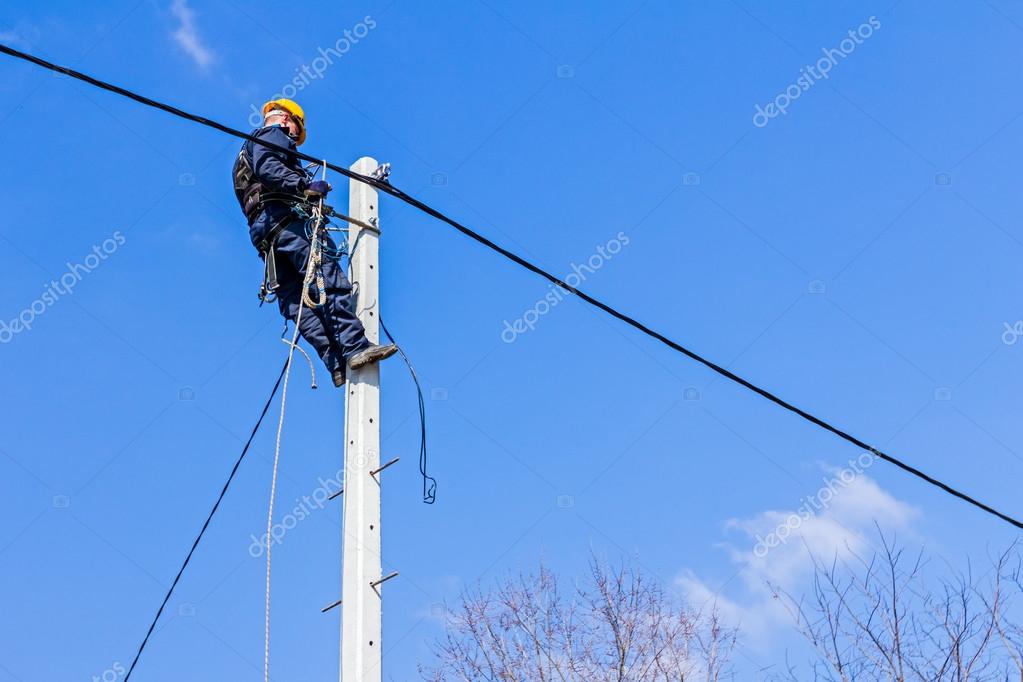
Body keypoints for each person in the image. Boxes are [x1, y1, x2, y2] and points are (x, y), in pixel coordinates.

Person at [233, 98, 395, 387]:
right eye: (295, 130)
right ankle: (356, 347)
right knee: (326, 279)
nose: (294, 138)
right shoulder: (273, 135)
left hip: (265, 237)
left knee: (297, 304)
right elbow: (270, 167)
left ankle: (336, 363)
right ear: (286, 120)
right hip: (289, 225)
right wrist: (303, 186)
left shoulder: (242, 158)